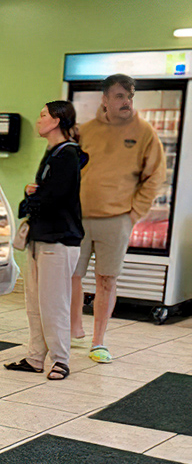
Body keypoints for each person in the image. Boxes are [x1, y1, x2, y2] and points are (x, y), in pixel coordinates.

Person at [71, 74, 166, 364]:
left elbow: (155, 177)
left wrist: (133, 214)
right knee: (71, 276)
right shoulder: (84, 131)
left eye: (130, 96)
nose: (126, 102)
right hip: (78, 218)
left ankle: (99, 341)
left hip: (117, 220)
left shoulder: (145, 132)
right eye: (119, 96)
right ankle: (74, 328)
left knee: (107, 280)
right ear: (105, 99)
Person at [5, 101, 85, 381]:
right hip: (40, 238)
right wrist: (34, 195)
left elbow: (54, 198)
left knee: (54, 303)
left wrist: (31, 198)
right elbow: (45, 194)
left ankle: (61, 360)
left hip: (59, 239)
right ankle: (35, 357)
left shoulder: (69, 155)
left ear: (57, 121)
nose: (38, 121)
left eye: (42, 116)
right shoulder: (52, 152)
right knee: (34, 303)